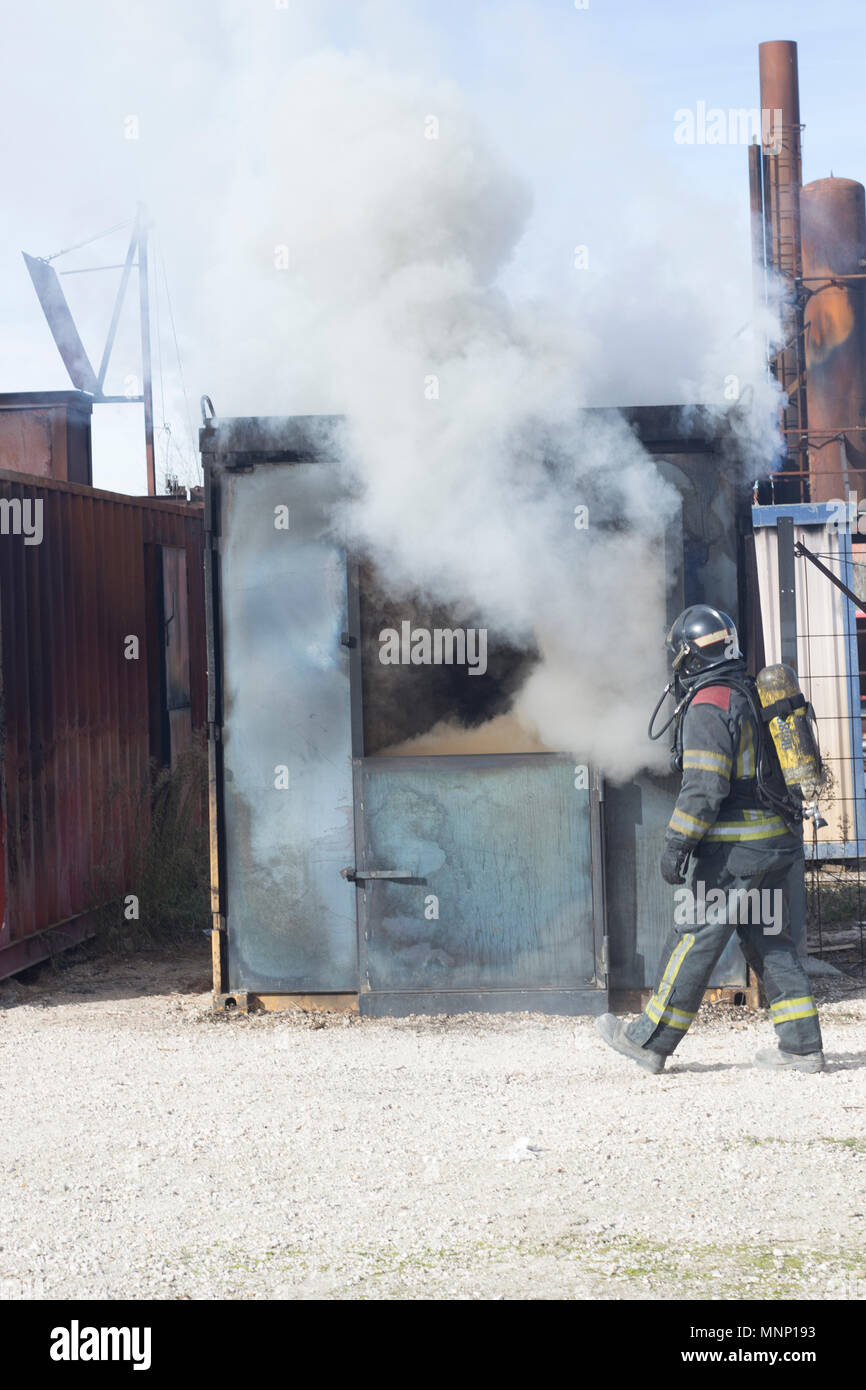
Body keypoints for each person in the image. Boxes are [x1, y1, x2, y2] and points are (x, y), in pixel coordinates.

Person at [595, 604, 824, 1075]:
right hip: (778, 845)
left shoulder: (710, 703)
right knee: (769, 940)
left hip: (735, 855)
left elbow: (704, 786)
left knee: (694, 938)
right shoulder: (753, 693)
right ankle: (802, 1047)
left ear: (687, 656)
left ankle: (649, 1040)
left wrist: (677, 844)